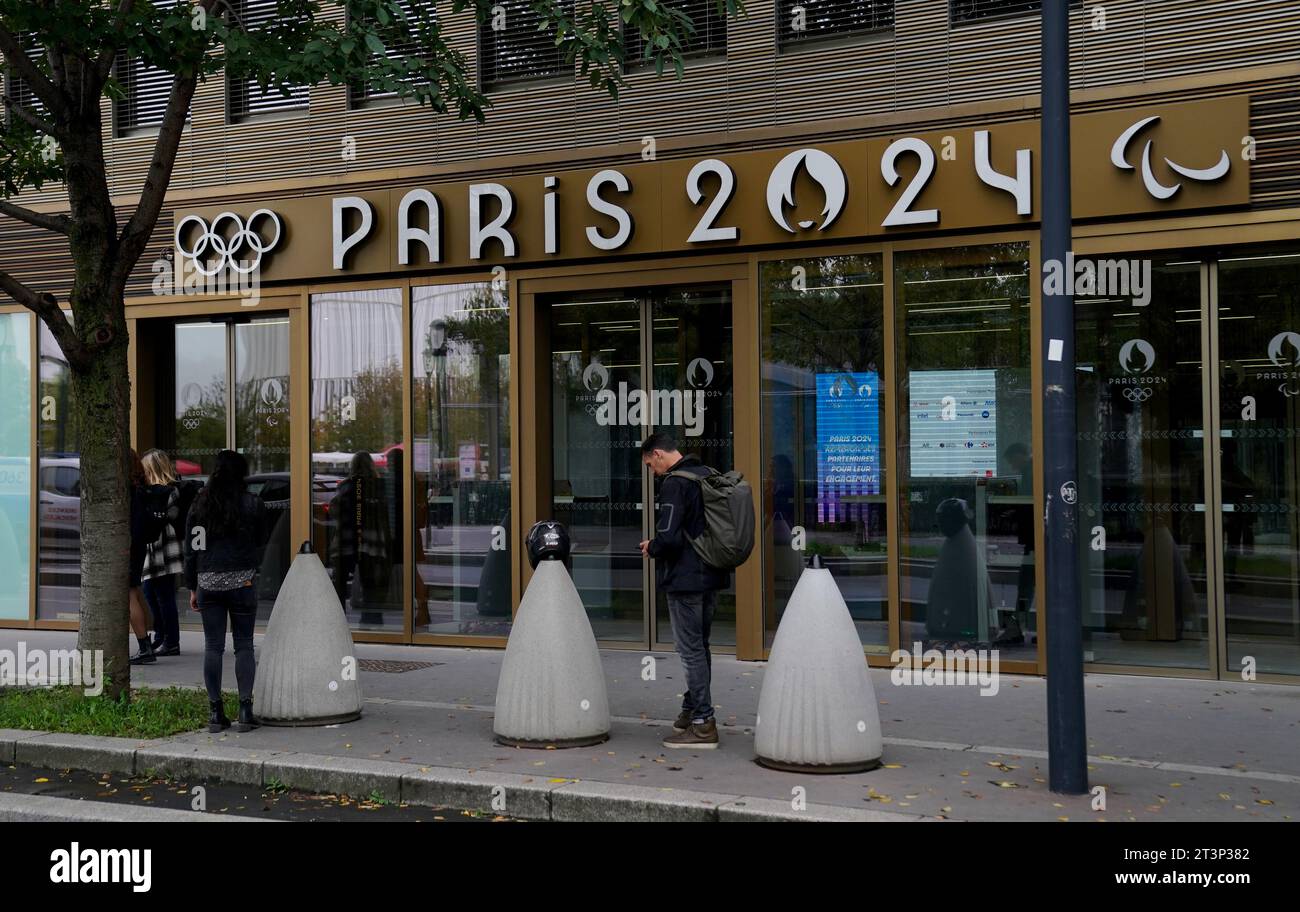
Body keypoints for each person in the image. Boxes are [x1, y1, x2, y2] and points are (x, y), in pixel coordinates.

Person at [639, 432, 729, 749]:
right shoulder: (705, 474)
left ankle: (703, 723)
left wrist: (653, 546)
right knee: (700, 647)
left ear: (660, 454)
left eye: (651, 465)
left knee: (690, 651)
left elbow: (671, 537)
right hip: (711, 574)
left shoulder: (675, 483)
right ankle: (692, 711)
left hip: (686, 579)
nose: (653, 472)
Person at [184, 449, 267, 733]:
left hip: (208, 582)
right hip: (243, 581)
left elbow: (192, 550)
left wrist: (192, 587)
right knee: (244, 644)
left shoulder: (199, 505)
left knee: (213, 646)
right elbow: (260, 541)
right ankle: (245, 709)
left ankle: (215, 712)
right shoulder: (253, 504)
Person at [140, 449, 183, 656]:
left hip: (164, 547)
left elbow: (170, 516)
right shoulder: (147, 490)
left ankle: (171, 641)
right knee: (150, 592)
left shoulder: (170, 490)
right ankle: (160, 636)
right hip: (151, 547)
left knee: (164, 595)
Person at [127, 450, 157, 665]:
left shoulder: (128, 490)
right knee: (134, 591)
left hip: (128, 548)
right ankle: (147, 641)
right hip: (136, 547)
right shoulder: (140, 486)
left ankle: (144, 645)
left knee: (129, 595)